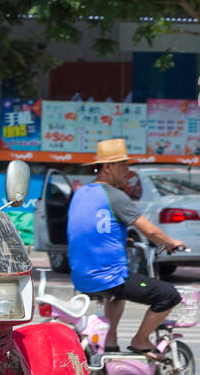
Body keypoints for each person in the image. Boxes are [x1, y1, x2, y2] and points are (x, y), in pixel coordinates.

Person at [67, 138, 187, 358]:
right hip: (108, 277)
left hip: (81, 276)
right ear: (108, 167)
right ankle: (140, 341)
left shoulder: (81, 193)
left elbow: (89, 229)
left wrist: (121, 241)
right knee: (168, 295)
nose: (127, 171)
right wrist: (171, 243)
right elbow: (149, 231)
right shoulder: (115, 195)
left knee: (117, 296)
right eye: (123, 165)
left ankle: (110, 343)